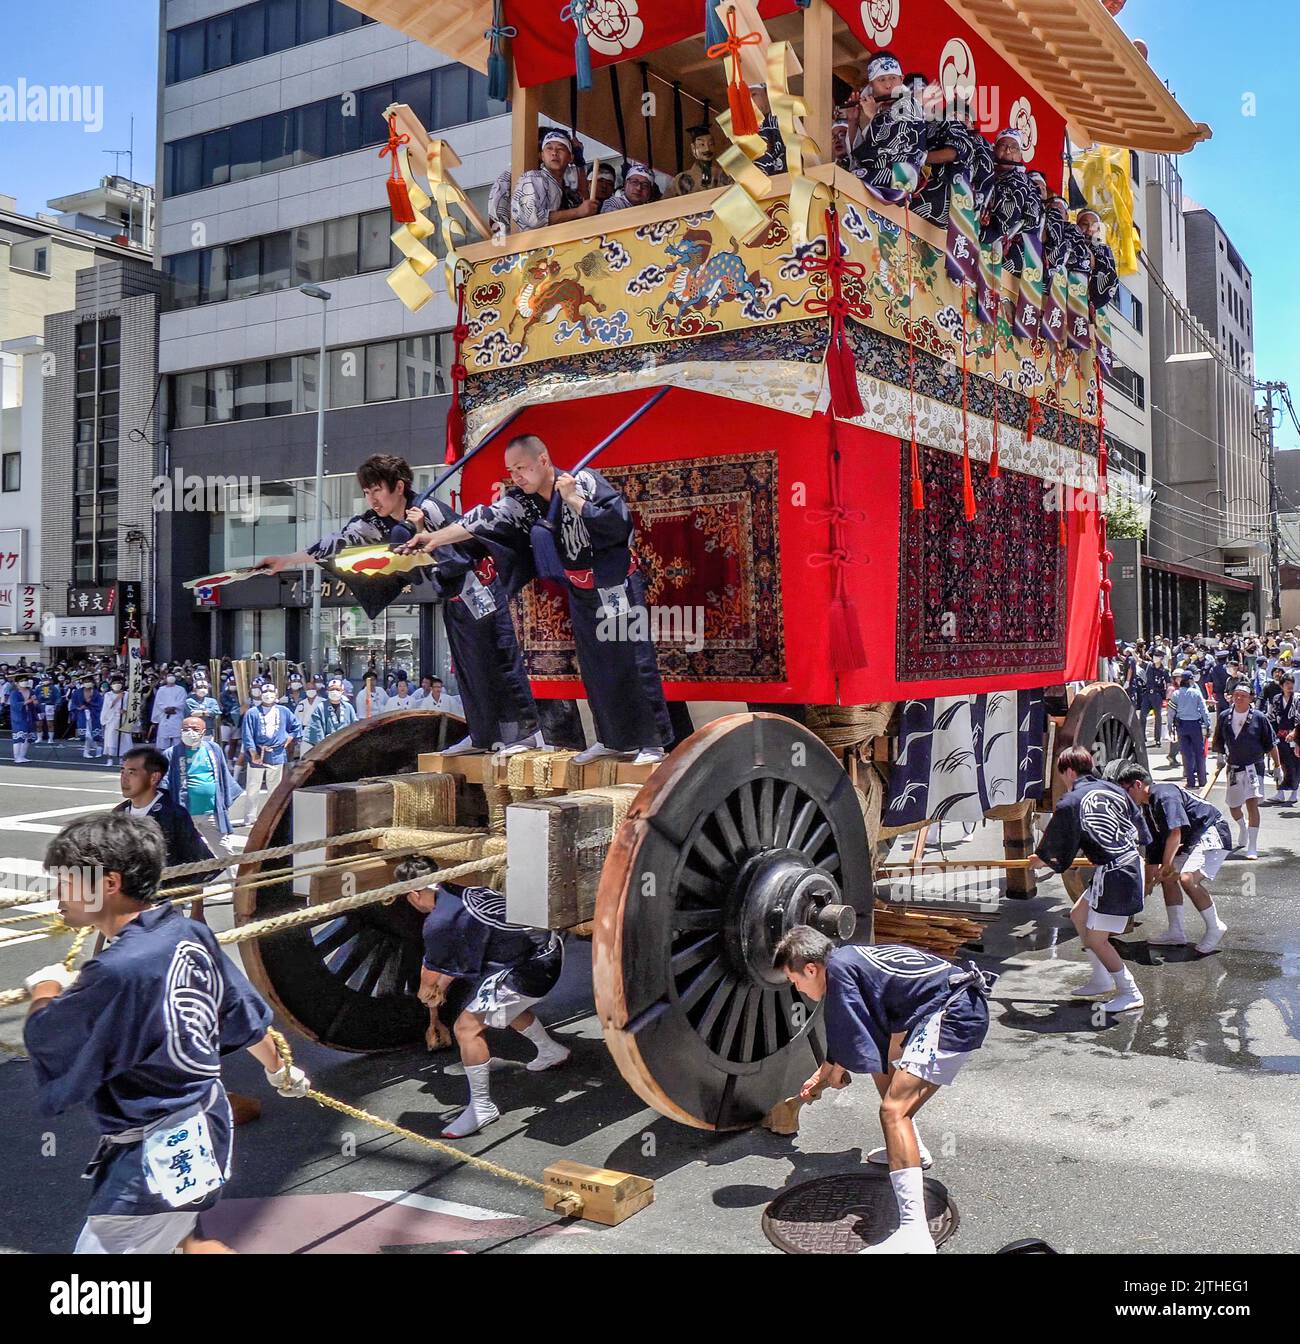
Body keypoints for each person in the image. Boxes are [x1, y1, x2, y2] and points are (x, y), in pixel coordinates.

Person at [21, 812, 308, 1255]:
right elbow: (236, 1013)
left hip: (154, 1151)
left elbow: (50, 1038)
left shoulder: (116, 970)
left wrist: (44, 988)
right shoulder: (189, 933)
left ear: (109, 883)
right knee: (183, 1242)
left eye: (66, 881)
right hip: (202, 1121)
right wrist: (279, 1070)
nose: (57, 894)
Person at [403, 434, 672, 765]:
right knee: (595, 666)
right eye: (511, 470)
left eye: (522, 468)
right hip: (581, 590)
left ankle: (652, 742)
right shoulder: (524, 502)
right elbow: (481, 521)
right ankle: (613, 740)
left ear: (543, 461)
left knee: (630, 658)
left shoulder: (582, 480)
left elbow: (618, 523)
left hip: (614, 584)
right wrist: (433, 537)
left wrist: (574, 501)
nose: (516, 477)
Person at [259, 455, 542, 757]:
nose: (372, 499)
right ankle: (481, 735)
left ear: (399, 487)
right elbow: (338, 542)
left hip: (479, 586)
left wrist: (421, 530)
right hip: (451, 596)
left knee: (498, 659)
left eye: (377, 490)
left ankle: (527, 733)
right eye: (366, 493)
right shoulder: (375, 522)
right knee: (468, 669)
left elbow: (461, 553)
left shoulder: (427, 509)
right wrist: (286, 560)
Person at [775, 928, 994, 1255]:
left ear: (811, 968)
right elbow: (867, 1037)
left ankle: (914, 1234)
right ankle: (914, 1150)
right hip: (952, 1004)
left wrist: (831, 1072)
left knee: (894, 1111)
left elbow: (848, 1040)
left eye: (795, 981)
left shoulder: (838, 973)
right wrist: (831, 1066)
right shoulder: (850, 959)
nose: (799, 989)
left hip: (952, 1013)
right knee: (883, 1062)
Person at [397, 857, 569, 1138]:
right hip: (542, 952)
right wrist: (438, 987)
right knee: (499, 1007)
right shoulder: (463, 893)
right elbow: (454, 962)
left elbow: (429, 980)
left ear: (414, 894)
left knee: (466, 1029)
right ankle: (551, 1051)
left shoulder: (439, 923)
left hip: (533, 970)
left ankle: (481, 1107)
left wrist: (427, 994)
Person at [1032, 746, 1151, 1012]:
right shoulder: (1115, 790)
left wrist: (1040, 859)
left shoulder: (1071, 801)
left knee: (1098, 939)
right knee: (1078, 915)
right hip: (1127, 864)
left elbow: (1057, 843)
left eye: (1062, 774)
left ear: (1069, 771)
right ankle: (1101, 978)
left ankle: (1129, 991)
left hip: (1116, 873)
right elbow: (1140, 831)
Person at [1113, 763, 1230, 955]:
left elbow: (1175, 833)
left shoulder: (1164, 794)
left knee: (1186, 878)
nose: (1124, 797)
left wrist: (1166, 865)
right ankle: (1176, 932)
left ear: (1137, 785)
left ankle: (1215, 926)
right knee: (1168, 878)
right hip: (1193, 838)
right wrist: (1149, 882)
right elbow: (1153, 847)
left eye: (1125, 791)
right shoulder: (1147, 807)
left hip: (1212, 831)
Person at [114, 745, 215, 879]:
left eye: (132, 772)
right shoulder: (119, 813)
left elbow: (198, 864)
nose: (124, 778)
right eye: (122, 772)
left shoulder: (173, 814)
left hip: (165, 894)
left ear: (154, 777)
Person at [165, 718, 245, 872]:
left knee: (226, 852)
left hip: (211, 813)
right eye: (186, 729)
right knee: (183, 855)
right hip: (185, 815)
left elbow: (223, 776)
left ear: (203, 732)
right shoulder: (171, 753)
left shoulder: (213, 749)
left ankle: (237, 889)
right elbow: (163, 784)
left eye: (195, 729)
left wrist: (222, 803)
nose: (190, 732)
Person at [1211, 684, 1282, 859]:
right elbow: (1218, 739)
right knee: (1234, 806)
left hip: (1253, 767)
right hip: (1234, 767)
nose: (1239, 698)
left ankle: (1252, 845)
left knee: (1252, 805)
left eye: (1243, 695)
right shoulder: (1225, 716)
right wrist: (1220, 756)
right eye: (1236, 695)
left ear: (1251, 698)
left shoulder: (1259, 717)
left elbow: (1270, 744)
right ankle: (1243, 827)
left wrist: (1278, 766)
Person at [509, 128, 599, 232]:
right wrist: (577, 212)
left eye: (560, 149)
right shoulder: (533, 178)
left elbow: (585, 206)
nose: (554, 153)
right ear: (542, 156)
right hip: (533, 246)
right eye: (549, 148)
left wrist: (580, 165)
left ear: (570, 157)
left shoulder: (562, 189)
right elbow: (533, 218)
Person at [240, 685, 299, 827]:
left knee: (275, 788)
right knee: (253, 787)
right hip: (258, 753)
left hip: (277, 753)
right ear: (260, 694)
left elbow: (295, 726)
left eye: (271, 691)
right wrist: (253, 753)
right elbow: (247, 735)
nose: (268, 694)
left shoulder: (284, 711)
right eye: (265, 692)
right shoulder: (252, 712)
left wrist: (289, 738)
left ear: (276, 694)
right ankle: (250, 817)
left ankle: (271, 817)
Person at [980, 128, 1039, 261]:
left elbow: (1009, 219)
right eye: (1003, 146)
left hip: (1001, 249)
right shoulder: (985, 168)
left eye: (1014, 148)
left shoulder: (1023, 183)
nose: (1007, 151)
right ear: (994, 149)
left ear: (1020, 156)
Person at [1169, 669, 1213, 789]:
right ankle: (1202, 780)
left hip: (1182, 726)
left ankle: (1191, 781)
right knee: (1199, 753)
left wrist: (1169, 727)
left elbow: (1171, 713)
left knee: (1186, 754)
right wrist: (1208, 725)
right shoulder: (1196, 693)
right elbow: (1204, 711)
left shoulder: (1176, 694)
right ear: (1190, 680)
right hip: (1195, 725)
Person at [669, 124, 729, 197]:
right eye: (702, 145)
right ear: (693, 148)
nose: (707, 149)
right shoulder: (681, 179)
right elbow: (665, 203)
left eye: (711, 144)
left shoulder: (723, 174)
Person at [1266, 673, 1299, 804]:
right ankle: (1279, 792)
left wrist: (1295, 733)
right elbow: (1271, 718)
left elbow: (1299, 718)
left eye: (1291, 684)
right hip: (1280, 736)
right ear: (1281, 686)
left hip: (1294, 736)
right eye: (1286, 684)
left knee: (1295, 764)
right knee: (1279, 763)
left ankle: (1294, 792)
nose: (1289, 687)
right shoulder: (1276, 699)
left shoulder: (1298, 699)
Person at [1135, 649, 1171, 748]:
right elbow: (1138, 660)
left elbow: (1168, 684)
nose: (1155, 658)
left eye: (1157, 656)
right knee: (1142, 715)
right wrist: (1132, 651)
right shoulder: (1149, 666)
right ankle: (1142, 737)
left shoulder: (1164, 670)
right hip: (1147, 694)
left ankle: (1157, 739)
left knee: (1158, 717)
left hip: (1157, 695)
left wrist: (1167, 697)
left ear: (1161, 658)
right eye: (1154, 656)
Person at [307, 678, 358, 745]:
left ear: (342, 691)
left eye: (337, 689)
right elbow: (316, 730)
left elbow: (354, 727)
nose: (334, 691)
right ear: (327, 691)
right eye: (332, 689)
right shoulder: (320, 707)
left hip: (346, 745)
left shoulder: (348, 707)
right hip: (326, 746)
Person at [99, 672, 133, 767]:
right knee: (111, 739)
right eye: (114, 683)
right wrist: (119, 697)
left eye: (118, 683)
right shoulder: (108, 695)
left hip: (123, 719)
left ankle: (122, 758)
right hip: (112, 719)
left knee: (124, 739)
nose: (117, 685)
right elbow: (109, 705)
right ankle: (110, 759)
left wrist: (126, 711)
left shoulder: (127, 694)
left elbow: (131, 707)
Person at [151, 671, 188, 751]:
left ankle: (177, 753)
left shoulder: (181, 689)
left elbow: (182, 701)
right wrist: (165, 708)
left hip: (176, 714)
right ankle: (164, 753)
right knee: (164, 736)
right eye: (169, 676)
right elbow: (158, 702)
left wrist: (174, 707)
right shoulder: (161, 690)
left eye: (172, 676)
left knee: (177, 735)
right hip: (164, 715)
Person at [7, 674, 39, 764]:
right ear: (17, 683)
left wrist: (35, 703)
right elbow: (15, 705)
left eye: (26, 680)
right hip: (19, 717)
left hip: (30, 716)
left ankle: (22, 756)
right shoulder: (14, 693)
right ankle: (17, 757)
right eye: (22, 681)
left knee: (28, 737)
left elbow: (35, 702)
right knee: (19, 736)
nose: (24, 682)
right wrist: (28, 701)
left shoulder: (31, 691)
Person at [34, 674, 61, 745]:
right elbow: (34, 697)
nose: (45, 681)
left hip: (50, 706)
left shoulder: (54, 688)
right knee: (39, 723)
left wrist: (57, 704)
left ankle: (51, 738)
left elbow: (58, 697)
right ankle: (39, 738)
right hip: (40, 706)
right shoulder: (38, 688)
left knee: (50, 723)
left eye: (47, 679)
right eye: (44, 680)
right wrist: (35, 703)